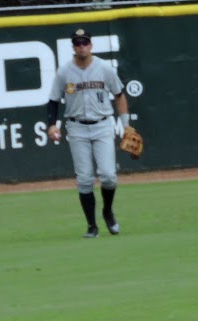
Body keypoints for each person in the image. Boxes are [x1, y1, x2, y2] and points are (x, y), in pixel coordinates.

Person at [45, 28, 130, 238]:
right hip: (77, 127)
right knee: (84, 179)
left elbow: (119, 94)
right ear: (73, 47)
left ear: (91, 45)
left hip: (102, 125)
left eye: (85, 42)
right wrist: (52, 124)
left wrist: (126, 125)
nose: (81, 46)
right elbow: (53, 100)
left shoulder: (103, 68)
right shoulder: (64, 71)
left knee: (109, 176)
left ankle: (107, 212)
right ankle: (92, 226)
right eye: (77, 43)